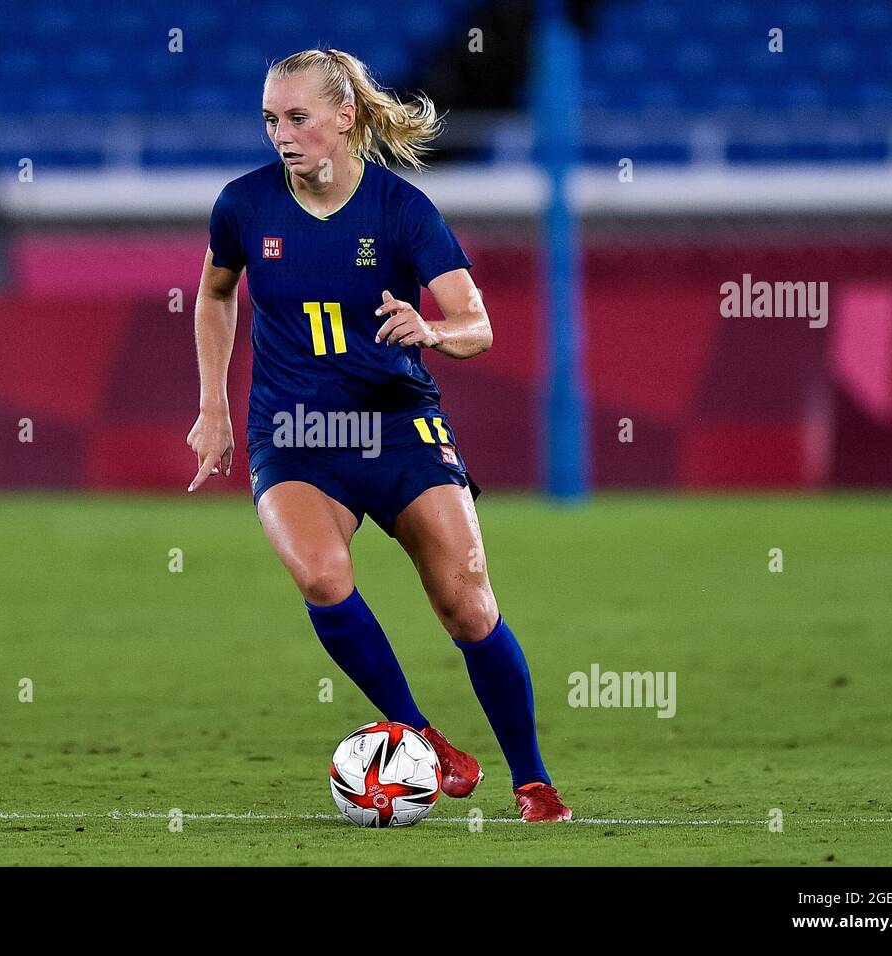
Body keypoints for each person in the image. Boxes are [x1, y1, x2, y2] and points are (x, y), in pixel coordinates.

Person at [187, 48, 571, 822]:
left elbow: (478, 325)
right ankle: (424, 737)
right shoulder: (242, 206)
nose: (282, 135)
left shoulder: (402, 210)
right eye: (270, 119)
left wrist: (429, 329)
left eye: (297, 118)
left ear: (345, 118)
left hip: (397, 425)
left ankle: (535, 784)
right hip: (293, 432)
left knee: (468, 607)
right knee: (323, 578)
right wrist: (214, 408)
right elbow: (214, 295)